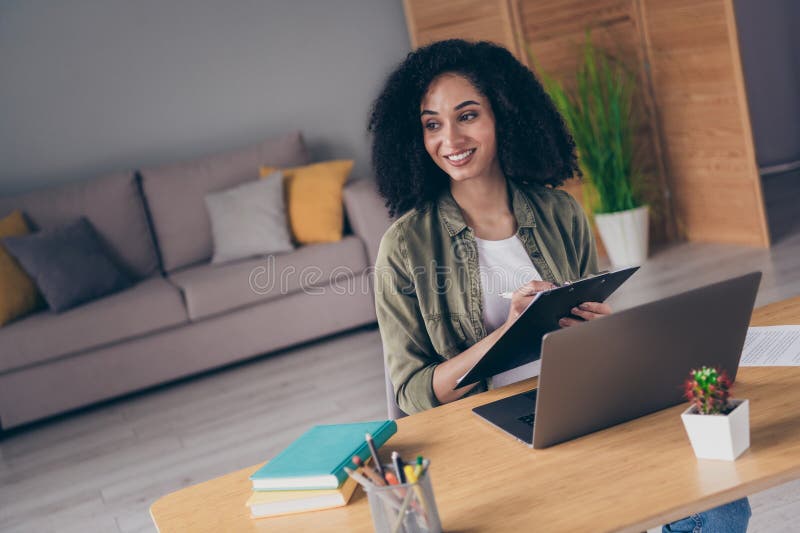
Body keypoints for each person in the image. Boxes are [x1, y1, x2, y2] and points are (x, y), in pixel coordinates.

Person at [368, 39, 750, 533]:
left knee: (722, 505)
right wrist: (508, 333)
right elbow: (413, 393)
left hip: (578, 406)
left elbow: (591, 333)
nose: (451, 139)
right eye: (432, 124)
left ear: (503, 115)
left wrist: (597, 329)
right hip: (490, 434)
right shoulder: (404, 247)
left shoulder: (559, 212)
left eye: (467, 115)